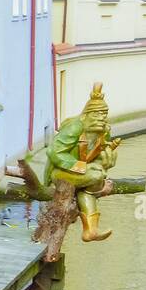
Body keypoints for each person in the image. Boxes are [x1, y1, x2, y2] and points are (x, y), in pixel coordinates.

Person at [42, 81, 120, 242]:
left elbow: (99, 154)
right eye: (97, 115)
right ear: (86, 115)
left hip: (82, 175)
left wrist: (107, 159)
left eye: (104, 115)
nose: (102, 119)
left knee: (94, 181)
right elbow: (54, 152)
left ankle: (91, 230)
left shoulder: (103, 131)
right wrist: (82, 166)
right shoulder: (75, 127)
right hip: (59, 173)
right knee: (95, 176)